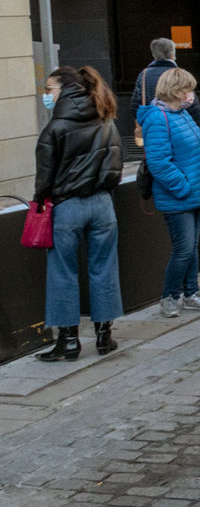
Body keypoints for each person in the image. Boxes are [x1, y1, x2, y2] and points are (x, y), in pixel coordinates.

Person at [34, 66, 125, 362]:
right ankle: (103, 336)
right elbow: (115, 166)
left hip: (67, 206)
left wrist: (40, 200)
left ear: (64, 90)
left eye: (49, 89)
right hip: (102, 204)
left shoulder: (55, 128)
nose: (46, 95)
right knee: (104, 268)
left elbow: (44, 178)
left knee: (63, 272)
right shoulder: (105, 119)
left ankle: (69, 341)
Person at [139, 67, 200, 319]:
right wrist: (183, 186)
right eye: (188, 89)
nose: (191, 94)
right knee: (183, 249)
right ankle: (170, 296)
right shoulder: (158, 118)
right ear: (175, 91)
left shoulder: (182, 114)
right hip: (179, 197)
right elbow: (159, 162)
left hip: (195, 194)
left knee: (191, 247)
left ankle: (191, 291)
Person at [133, 38, 200, 141]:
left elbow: (135, 104)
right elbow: (193, 105)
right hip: (181, 130)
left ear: (154, 55)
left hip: (154, 130)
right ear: (172, 54)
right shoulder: (179, 75)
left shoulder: (144, 75)